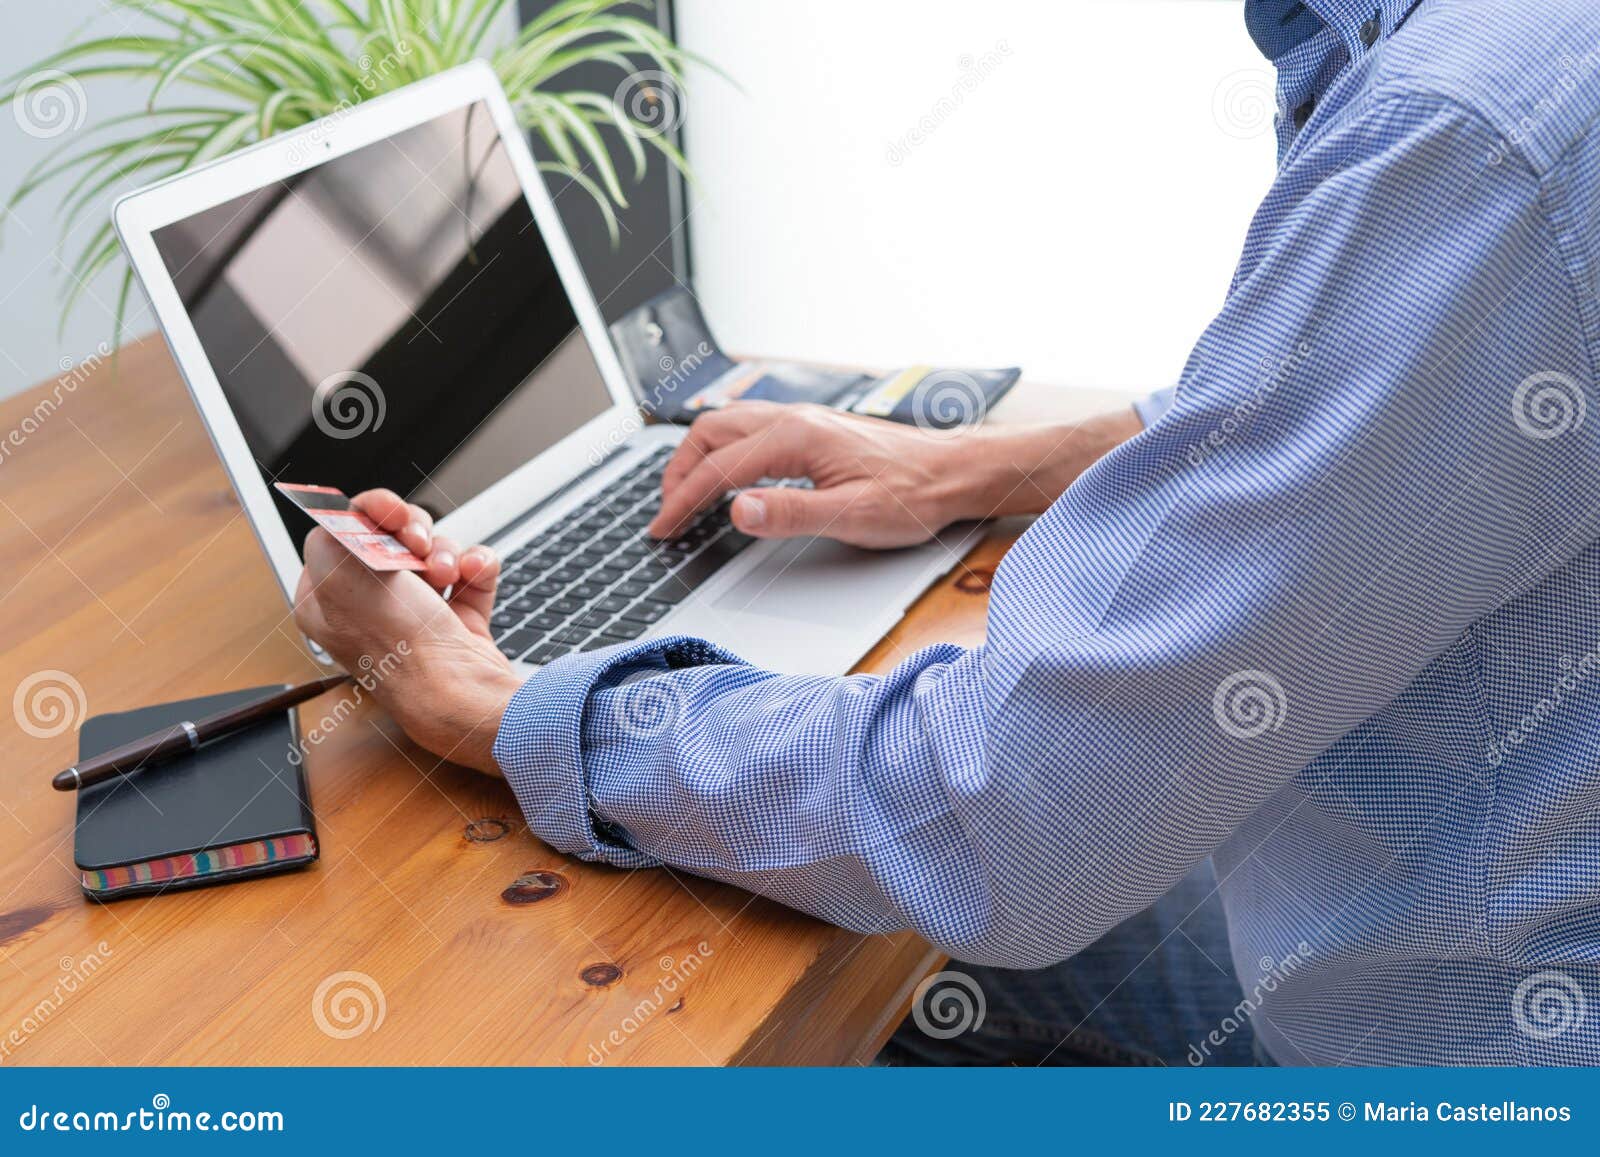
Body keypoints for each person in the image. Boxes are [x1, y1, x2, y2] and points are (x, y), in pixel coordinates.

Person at [292, 0, 1600, 1066]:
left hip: (1451, 1042)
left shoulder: (1471, 135)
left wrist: (476, 696)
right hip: (1434, 892)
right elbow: (1348, 414)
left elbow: (1011, 809)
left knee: (815, 1015)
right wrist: (974, 467)